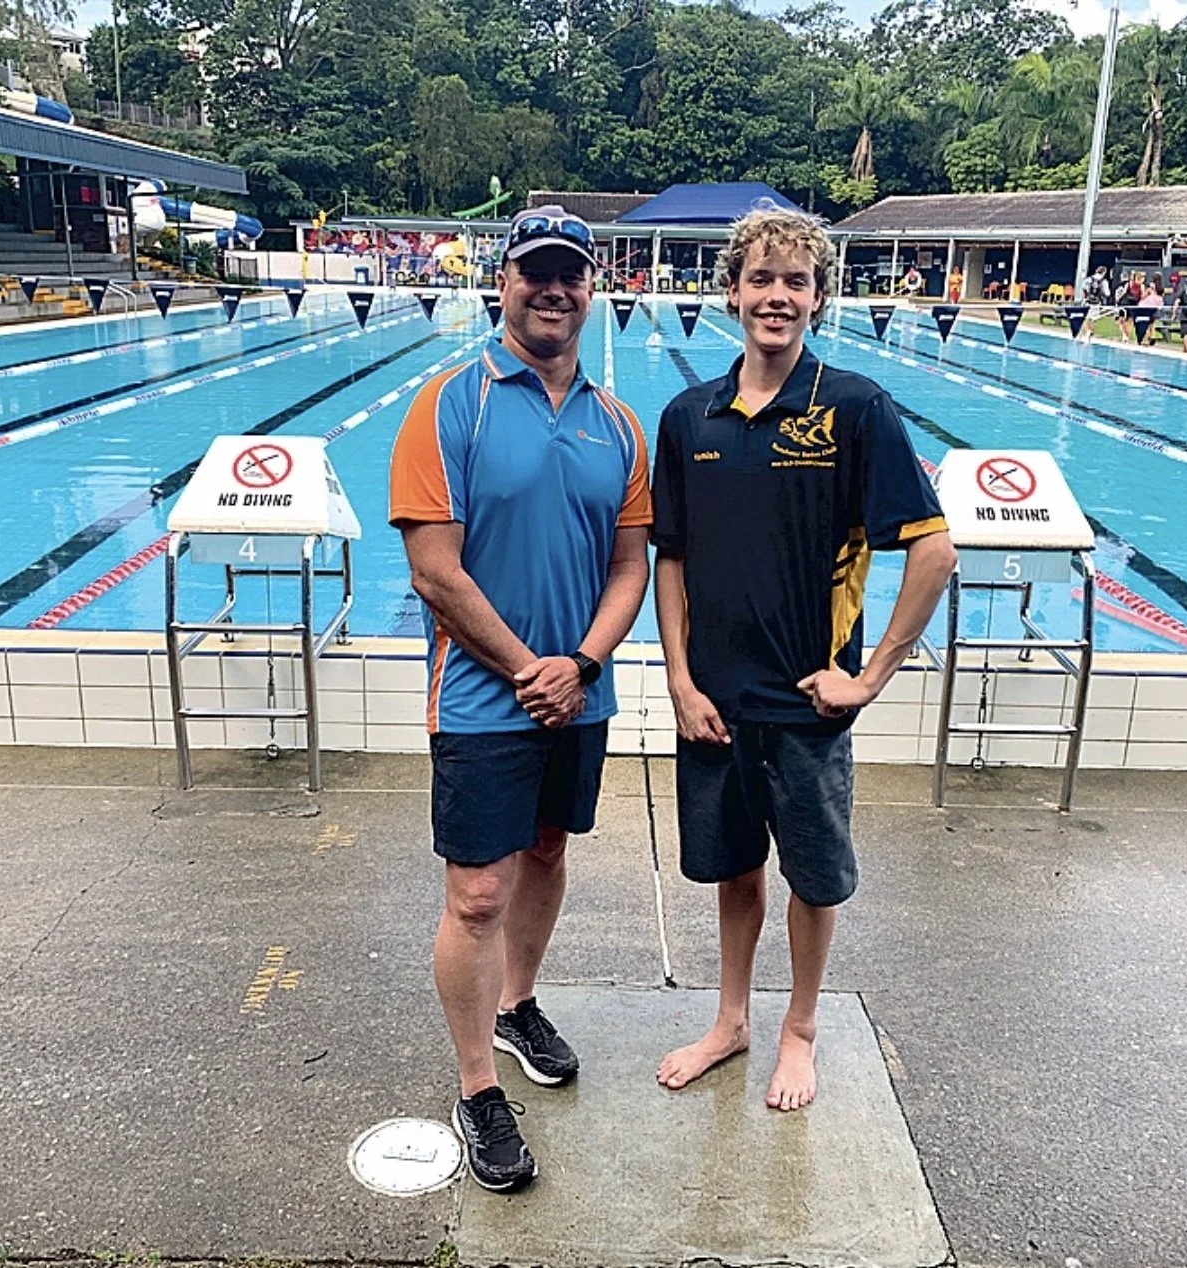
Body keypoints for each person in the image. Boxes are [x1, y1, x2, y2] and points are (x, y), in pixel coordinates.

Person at [650, 207, 958, 1112]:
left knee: (812, 878)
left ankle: (801, 1029)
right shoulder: (688, 415)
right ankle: (732, 1018)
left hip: (808, 707)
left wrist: (867, 679)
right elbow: (672, 557)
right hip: (713, 703)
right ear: (733, 291)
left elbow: (933, 551)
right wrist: (678, 678)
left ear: (818, 297)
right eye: (761, 279)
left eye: (795, 281)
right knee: (736, 869)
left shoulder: (854, 406)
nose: (775, 297)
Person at [388, 205, 652, 1192]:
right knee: (478, 891)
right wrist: (524, 669)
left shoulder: (616, 423)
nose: (552, 288)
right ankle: (474, 1086)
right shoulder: (451, 403)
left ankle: (518, 1003)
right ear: (503, 283)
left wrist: (578, 663)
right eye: (534, 271)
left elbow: (630, 564)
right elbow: (433, 570)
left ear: (590, 289)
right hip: (480, 699)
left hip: (577, 695)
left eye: (569, 274)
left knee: (546, 851)